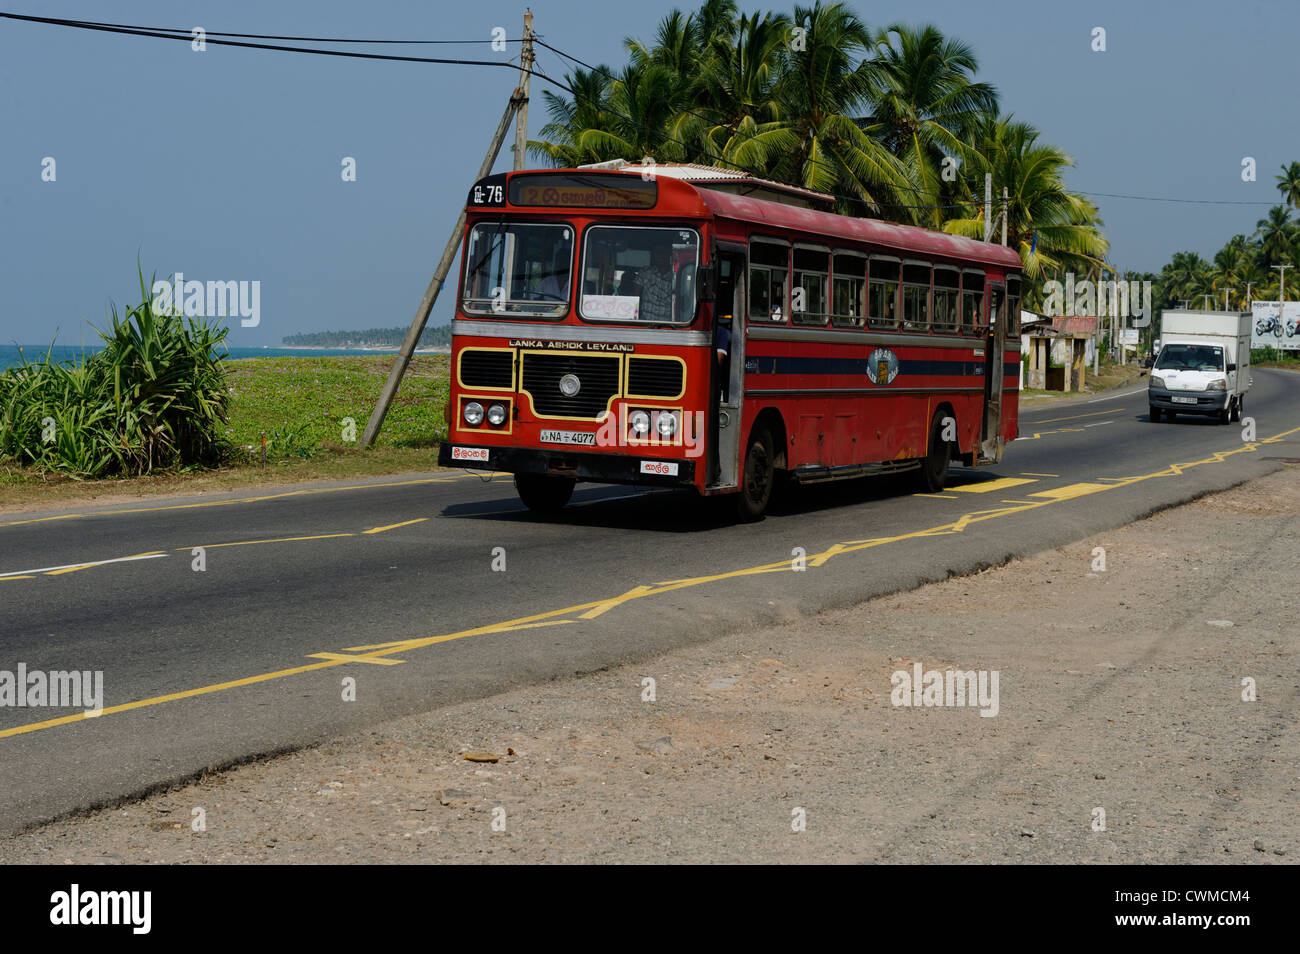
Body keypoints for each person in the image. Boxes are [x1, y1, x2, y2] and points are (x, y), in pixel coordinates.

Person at [636, 244, 675, 322]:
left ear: (669, 254)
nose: (661, 255)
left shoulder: (676, 276)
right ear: (653, 255)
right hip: (645, 322)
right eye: (658, 252)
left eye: (664, 252)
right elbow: (635, 295)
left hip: (668, 324)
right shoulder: (645, 272)